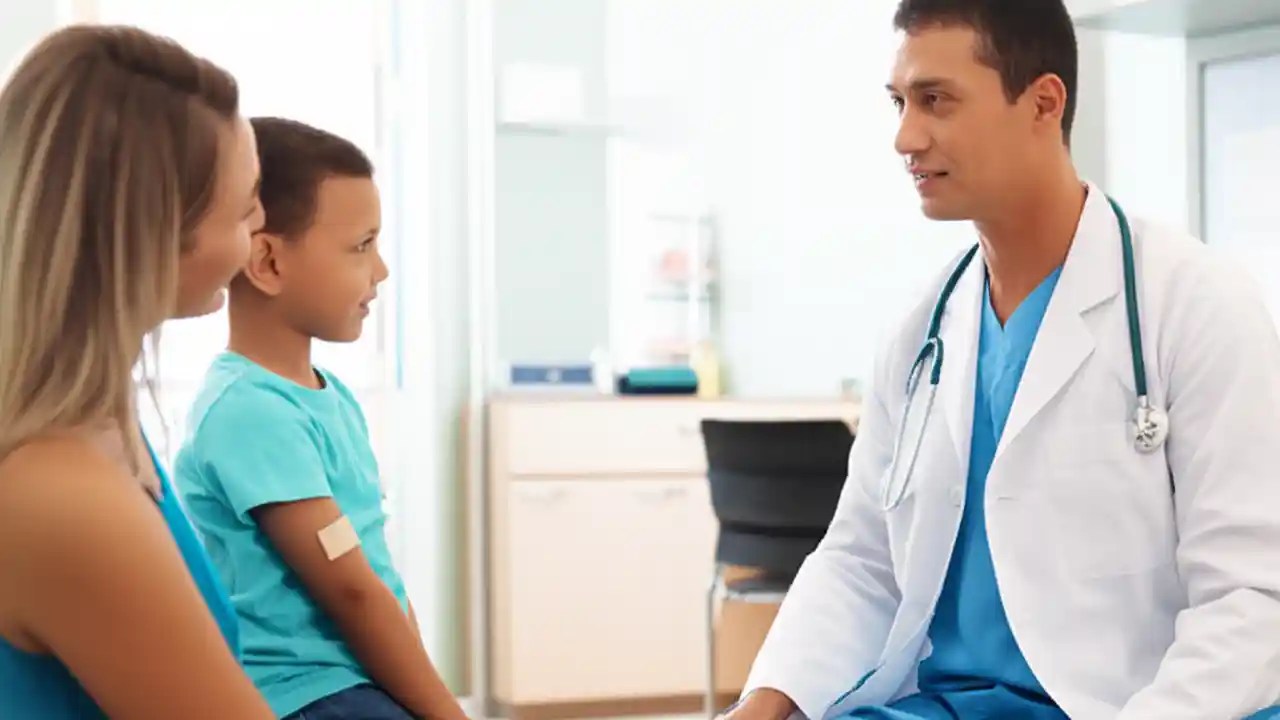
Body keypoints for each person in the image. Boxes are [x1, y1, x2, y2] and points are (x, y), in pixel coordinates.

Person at [726, 1, 1280, 719]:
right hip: (948, 706)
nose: (904, 136)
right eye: (899, 102)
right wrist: (763, 705)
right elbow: (862, 560)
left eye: (936, 100)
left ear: (1044, 103)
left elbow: (1252, 594)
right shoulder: (922, 328)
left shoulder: (1195, 302)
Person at [0, 25, 275, 719]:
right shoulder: (63, 492)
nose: (263, 223)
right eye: (245, 207)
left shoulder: (92, 427)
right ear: (155, 237)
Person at [173, 117, 467, 720]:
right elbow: (352, 593)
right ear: (269, 262)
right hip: (304, 698)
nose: (380, 271)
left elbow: (374, 572)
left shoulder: (327, 397)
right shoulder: (248, 412)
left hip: (353, 684)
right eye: (361, 246)